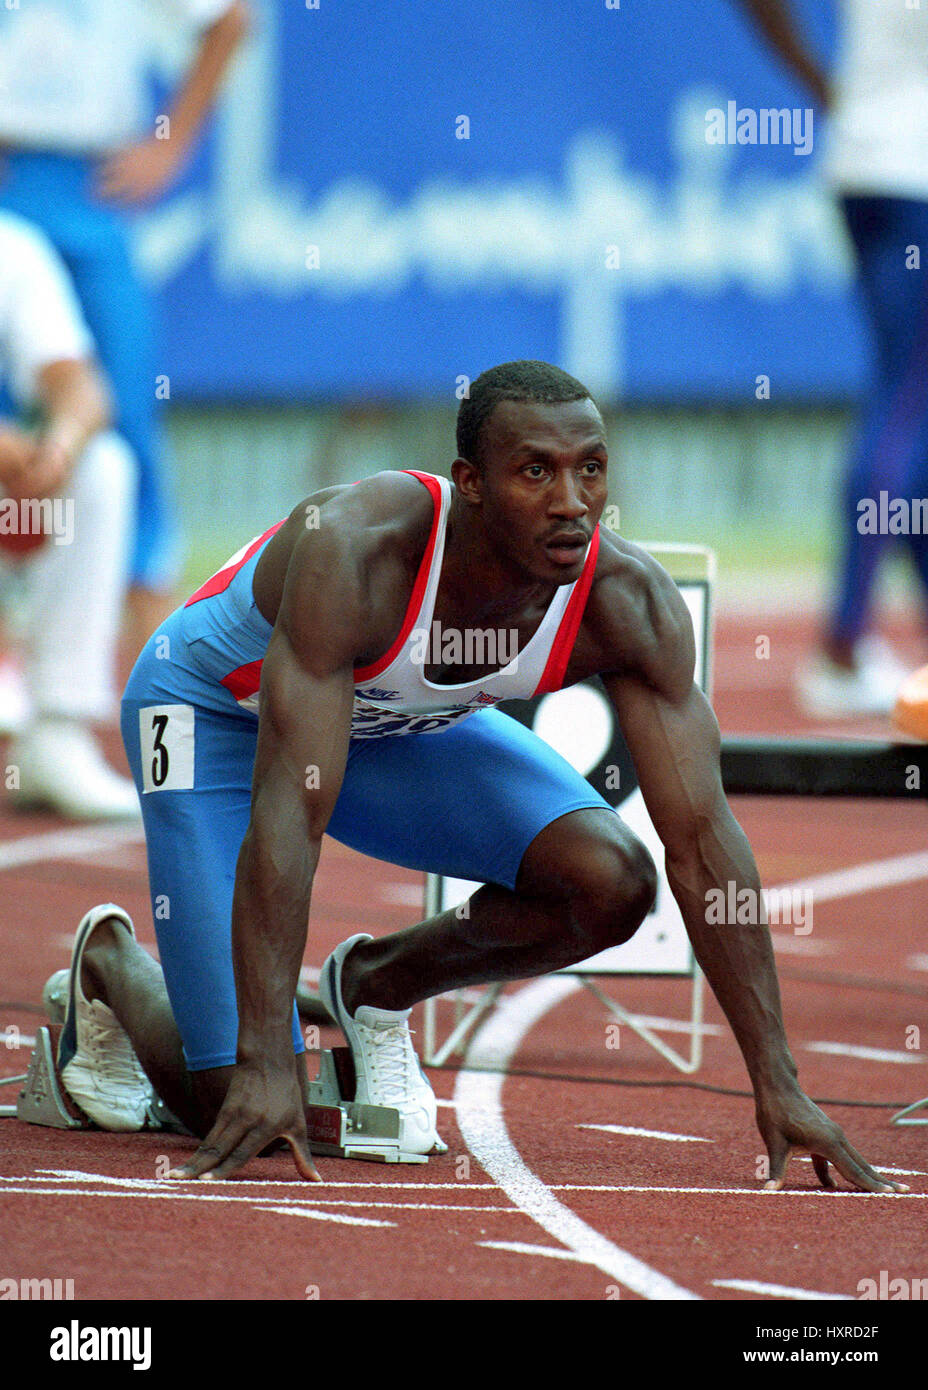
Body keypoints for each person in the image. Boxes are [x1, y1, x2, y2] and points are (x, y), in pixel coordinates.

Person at [47, 361, 904, 1194]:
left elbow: (704, 842)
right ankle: (113, 964)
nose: (571, 503)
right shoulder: (358, 550)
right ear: (471, 483)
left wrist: (779, 1079)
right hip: (218, 720)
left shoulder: (626, 600)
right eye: (536, 472)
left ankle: (374, 984)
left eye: (590, 471)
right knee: (230, 1102)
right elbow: (287, 814)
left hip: (399, 728)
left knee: (608, 884)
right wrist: (270, 1059)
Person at [0, 0, 250, 661]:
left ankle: (155, 653)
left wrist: (170, 144)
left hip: (88, 186)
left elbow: (227, 18)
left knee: (120, 425)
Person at [734, 0, 928, 716]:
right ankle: (843, 647)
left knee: (912, 405)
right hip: (915, 176)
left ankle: (857, 642)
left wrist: (830, 88)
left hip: (864, 161)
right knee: (904, 403)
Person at [0, 210, 139, 820]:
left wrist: (54, 451)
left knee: (100, 466)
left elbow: (82, 388)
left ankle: (55, 729)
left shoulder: (15, 248)